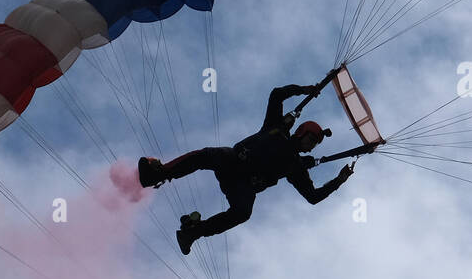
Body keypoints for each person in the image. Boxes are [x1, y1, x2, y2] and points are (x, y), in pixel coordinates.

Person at [138, 72, 377, 254]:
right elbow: (276, 94)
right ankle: (159, 173)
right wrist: (303, 90)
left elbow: (312, 197)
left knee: (243, 212)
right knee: (207, 155)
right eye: (311, 139)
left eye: (315, 144)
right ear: (301, 132)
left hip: (243, 186)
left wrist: (340, 180)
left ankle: (193, 232)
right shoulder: (277, 127)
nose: (312, 145)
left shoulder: (297, 166)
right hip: (233, 162)